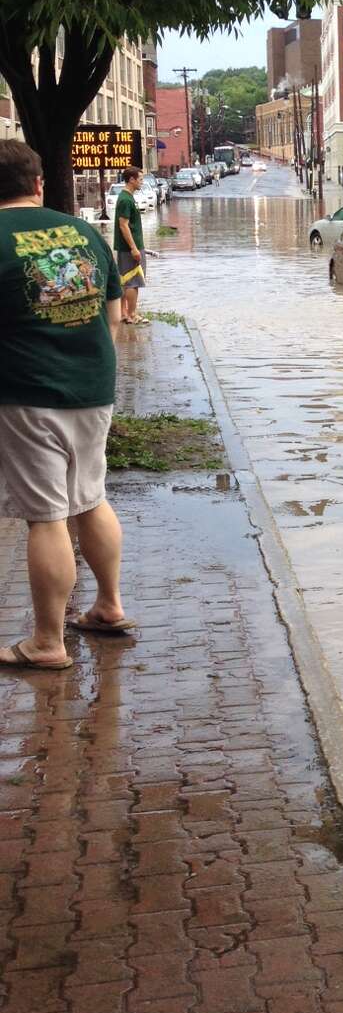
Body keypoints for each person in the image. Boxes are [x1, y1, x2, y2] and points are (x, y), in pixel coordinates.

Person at [0, 141, 134, 669]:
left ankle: (47, 642)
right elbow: (115, 315)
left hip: (27, 394)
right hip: (93, 388)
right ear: (38, 184)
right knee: (89, 499)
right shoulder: (83, 233)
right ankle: (109, 605)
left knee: (46, 516)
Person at [113, 165, 147, 324]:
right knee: (133, 281)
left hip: (126, 247)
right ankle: (132, 314)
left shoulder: (126, 197)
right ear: (131, 180)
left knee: (125, 281)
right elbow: (123, 225)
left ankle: (124, 313)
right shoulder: (126, 200)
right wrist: (134, 248)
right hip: (130, 248)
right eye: (140, 179)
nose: (142, 182)